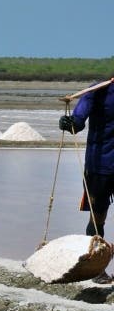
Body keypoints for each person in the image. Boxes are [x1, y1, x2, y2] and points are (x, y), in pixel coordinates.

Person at [59, 79, 114, 283]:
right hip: (100, 166)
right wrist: (70, 123)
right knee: (97, 218)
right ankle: (96, 269)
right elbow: (78, 122)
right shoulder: (97, 90)